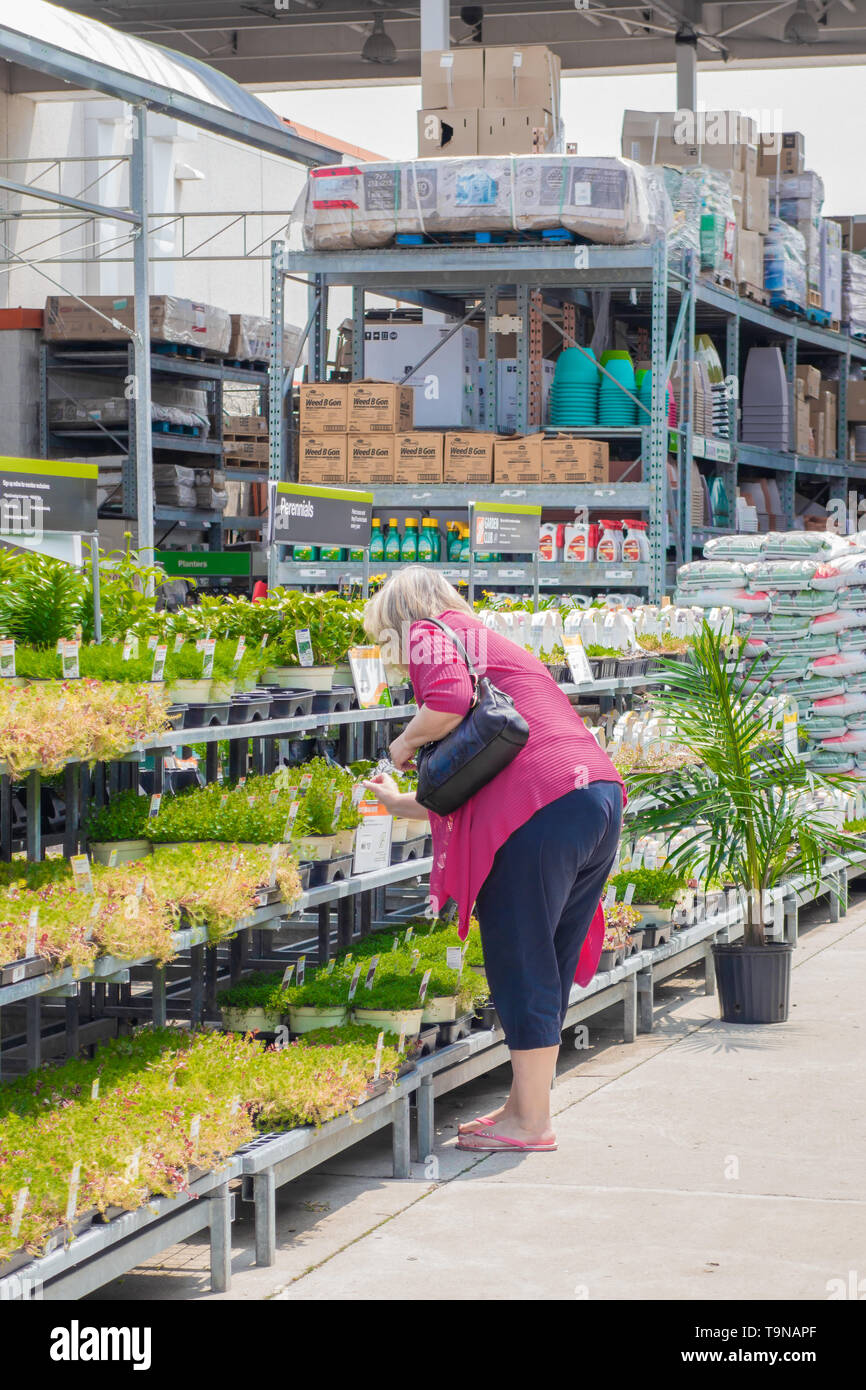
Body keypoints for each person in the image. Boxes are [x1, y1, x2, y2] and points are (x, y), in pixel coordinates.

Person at [362, 566, 624, 1154]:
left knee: (520, 959)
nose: (396, 658)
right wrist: (401, 802)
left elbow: (449, 702)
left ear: (402, 619)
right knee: (546, 964)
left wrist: (402, 745)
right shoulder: (486, 641)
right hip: (593, 797)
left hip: (543, 810)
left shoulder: (431, 629)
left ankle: (531, 1124)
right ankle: (524, 1107)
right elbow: (478, 771)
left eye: (386, 640)